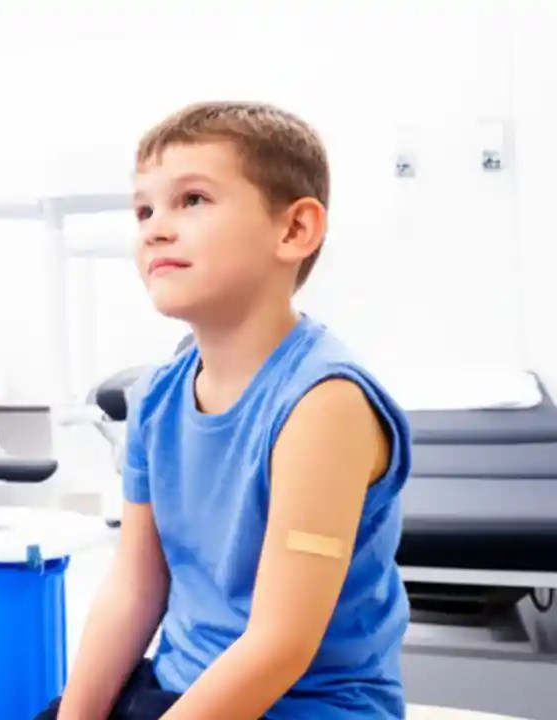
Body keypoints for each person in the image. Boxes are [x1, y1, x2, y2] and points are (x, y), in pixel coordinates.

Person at [41, 102, 412, 719]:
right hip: (182, 689)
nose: (156, 227)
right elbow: (134, 590)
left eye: (191, 200)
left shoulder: (324, 406)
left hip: (308, 706)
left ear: (294, 230)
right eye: (144, 209)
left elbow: (280, 645)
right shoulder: (157, 399)